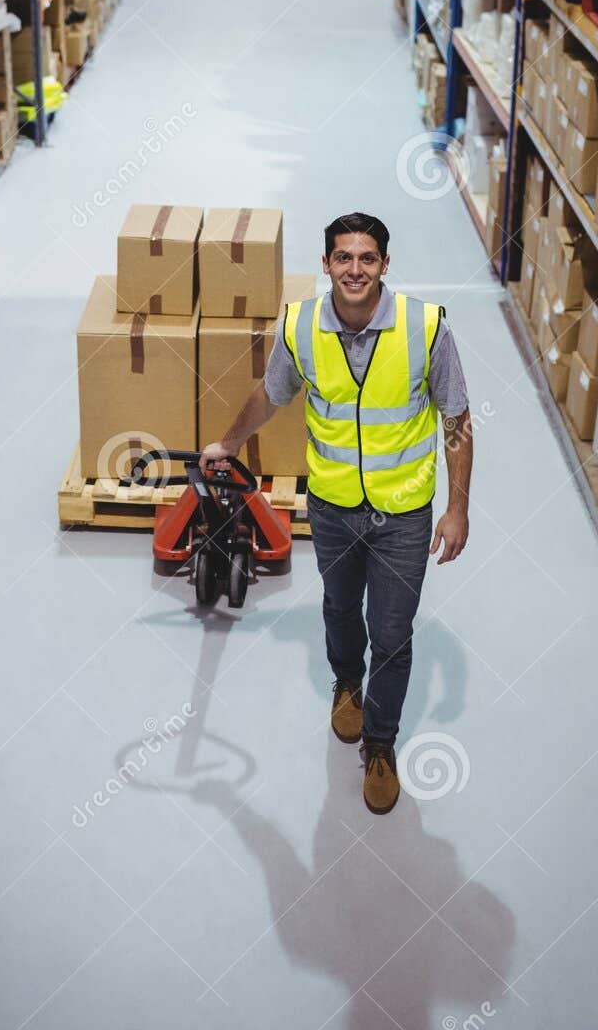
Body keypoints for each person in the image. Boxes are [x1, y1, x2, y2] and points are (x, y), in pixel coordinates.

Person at [200, 212, 472, 815]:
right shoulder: (299, 327)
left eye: (367, 258)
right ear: (325, 265)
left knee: (394, 634)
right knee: (340, 607)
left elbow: (455, 419)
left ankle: (380, 744)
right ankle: (347, 679)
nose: (355, 269)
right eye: (343, 257)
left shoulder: (426, 329)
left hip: (402, 513)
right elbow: (271, 394)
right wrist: (230, 442)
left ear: (384, 264)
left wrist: (458, 508)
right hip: (331, 505)